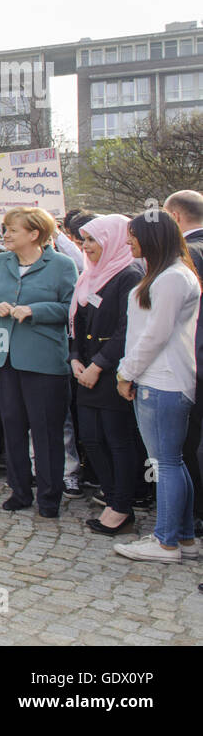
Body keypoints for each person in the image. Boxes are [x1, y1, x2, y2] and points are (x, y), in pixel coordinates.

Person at [111, 211, 202, 562]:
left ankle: (166, 542)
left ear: (151, 237)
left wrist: (126, 372)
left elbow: (155, 335)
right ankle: (184, 538)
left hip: (161, 381)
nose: (127, 242)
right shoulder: (168, 274)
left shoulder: (172, 278)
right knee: (172, 462)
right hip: (159, 378)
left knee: (166, 463)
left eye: (132, 235)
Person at [0, 207, 79, 518]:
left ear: (34, 234)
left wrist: (35, 310)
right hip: (3, 357)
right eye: (5, 229)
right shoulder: (0, 262)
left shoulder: (62, 265)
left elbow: (70, 309)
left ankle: (50, 496)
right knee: (12, 426)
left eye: (12, 230)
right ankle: (19, 490)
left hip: (44, 361)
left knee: (46, 431)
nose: (5, 235)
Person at [68, 215, 142, 534]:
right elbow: (76, 323)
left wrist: (98, 364)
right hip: (84, 371)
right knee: (92, 439)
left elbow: (128, 329)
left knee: (117, 440)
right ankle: (112, 498)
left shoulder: (129, 275)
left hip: (112, 372)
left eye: (92, 240)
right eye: (83, 240)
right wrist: (74, 359)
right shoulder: (90, 275)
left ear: (111, 240)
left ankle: (122, 505)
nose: (85, 246)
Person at [164, 189, 203, 530]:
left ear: (174, 217)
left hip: (190, 361)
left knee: (184, 446)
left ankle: (188, 518)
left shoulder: (186, 255)